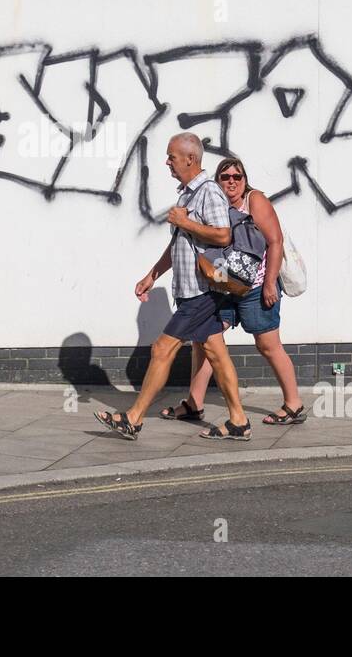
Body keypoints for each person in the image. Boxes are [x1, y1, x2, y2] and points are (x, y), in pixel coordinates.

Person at [92, 133, 253, 441]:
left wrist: (186, 222)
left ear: (190, 159)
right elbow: (179, 243)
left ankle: (133, 418)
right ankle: (238, 421)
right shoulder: (187, 195)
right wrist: (153, 274)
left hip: (202, 291)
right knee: (216, 354)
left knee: (161, 348)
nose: (167, 162)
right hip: (190, 289)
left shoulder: (209, 193)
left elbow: (223, 236)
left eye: (171, 157)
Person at [159, 156, 306, 427]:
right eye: (225, 177)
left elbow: (275, 241)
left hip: (256, 287)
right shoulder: (214, 202)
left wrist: (271, 283)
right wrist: (153, 274)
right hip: (223, 287)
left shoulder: (255, 200)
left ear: (244, 179)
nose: (231, 182)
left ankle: (294, 404)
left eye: (237, 177)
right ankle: (194, 403)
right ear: (218, 181)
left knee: (267, 345)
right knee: (206, 340)